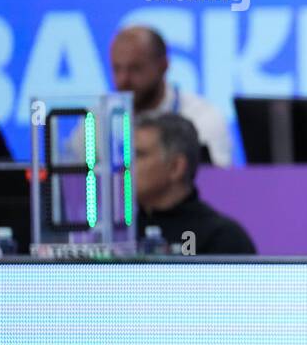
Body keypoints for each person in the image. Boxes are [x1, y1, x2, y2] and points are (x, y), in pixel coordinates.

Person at [110, 26, 233, 167]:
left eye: (135, 68)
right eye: (117, 68)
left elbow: (219, 184)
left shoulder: (203, 118)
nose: (123, 79)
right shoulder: (96, 122)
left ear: (164, 66)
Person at [135, 113, 256, 255]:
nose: (125, 165)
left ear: (176, 167)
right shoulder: (119, 234)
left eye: (138, 155)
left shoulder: (222, 239)